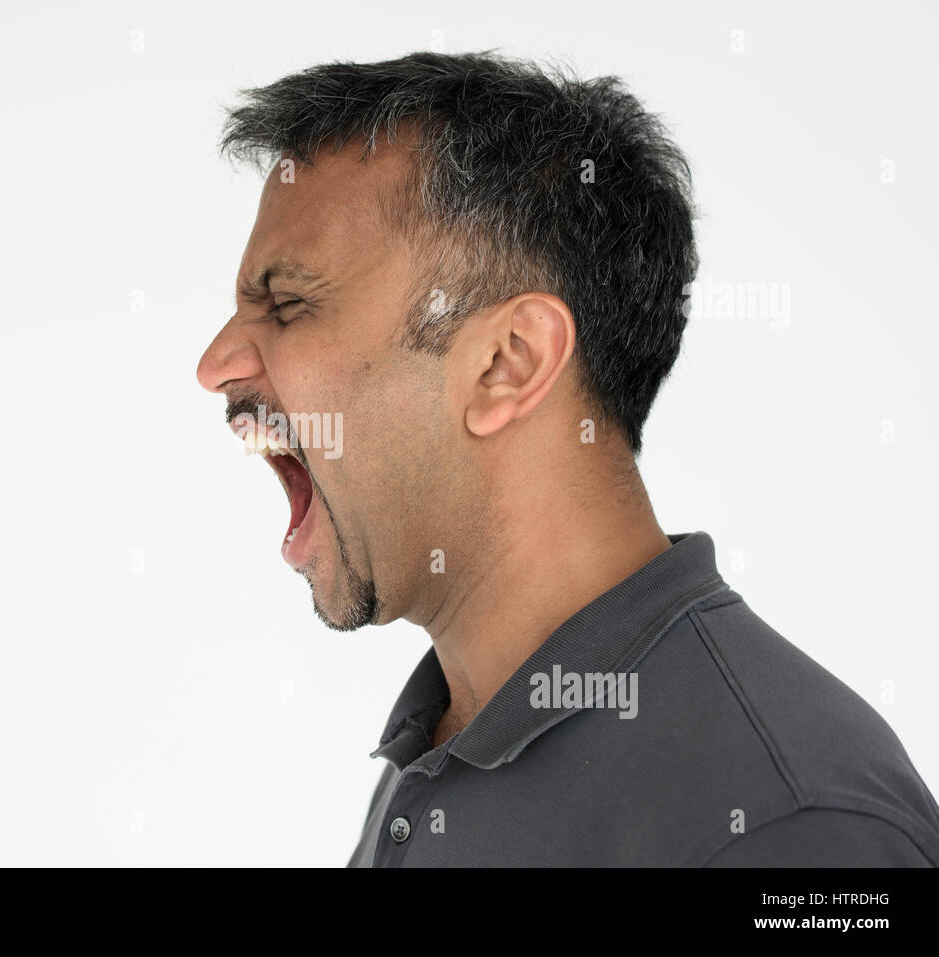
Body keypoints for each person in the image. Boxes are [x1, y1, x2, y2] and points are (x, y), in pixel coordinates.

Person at [195, 52, 939, 866]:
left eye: (290, 304)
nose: (216, 364)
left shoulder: (790, 827)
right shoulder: (445, 736)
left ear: (508, 362)